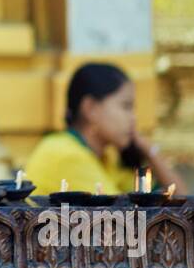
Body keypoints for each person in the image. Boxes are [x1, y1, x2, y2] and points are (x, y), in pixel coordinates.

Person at [23, 63, 184, 196]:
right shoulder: (65, 154)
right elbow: (126, 220)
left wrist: (150, 151)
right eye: (126, 106)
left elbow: (179, 201)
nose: (133, 118)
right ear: (90, 108)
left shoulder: (105, 157)